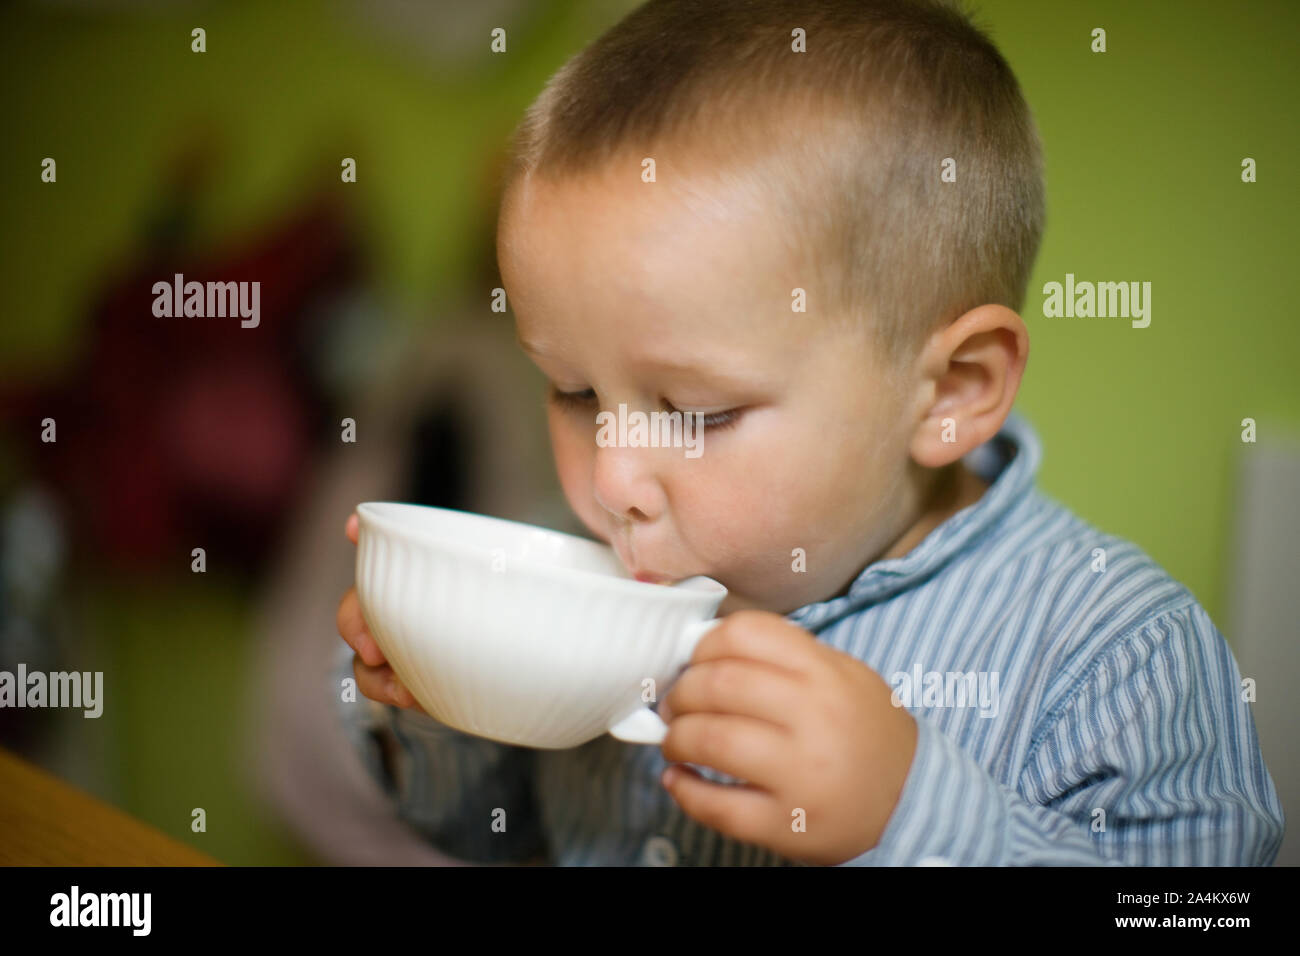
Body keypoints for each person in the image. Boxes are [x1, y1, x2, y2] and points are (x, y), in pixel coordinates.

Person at [333, 0, 1284, 865]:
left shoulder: (1114, 654)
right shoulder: (607, 574)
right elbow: (496, 829)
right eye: (575, 392)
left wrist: (911, 815)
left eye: (699, 411)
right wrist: (446, 703)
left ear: (953, 389)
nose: (612, 481)